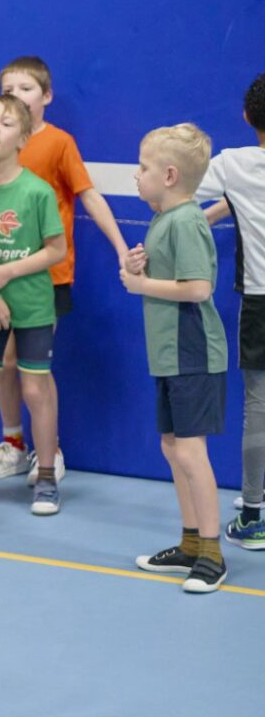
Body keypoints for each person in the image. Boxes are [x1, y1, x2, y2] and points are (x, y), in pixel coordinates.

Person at [0, 57, 130, 484]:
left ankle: (49, 452)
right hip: (0, 276)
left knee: (32, 367)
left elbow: (89, 196)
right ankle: (13, 444)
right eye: (8, 89)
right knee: (3, 362)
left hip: (46, 279)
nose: (17, 96)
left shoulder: (59, 143)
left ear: (46, 96)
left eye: (26, 88)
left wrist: (121, 247)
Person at [122, 124, 229, 593]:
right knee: (172, 446)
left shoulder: (186, 221)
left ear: (168, 176)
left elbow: (199, 288)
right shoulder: (164, 218)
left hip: (193, 352)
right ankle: (190, 543)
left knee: (189, 450)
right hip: (169, 354)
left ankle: (212, 554)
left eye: (143, 167)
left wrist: (142, 285)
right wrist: (139, 266)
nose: (136, 174)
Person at [0, 95, 68, 536]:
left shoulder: (37, 191)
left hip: (32, 306)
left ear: (23, 138)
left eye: (5, 123)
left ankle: (45, 476)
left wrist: (7, 271)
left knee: (35, 388)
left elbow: (56, 250)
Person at [197, 71, 265, 551]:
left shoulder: (235, 164)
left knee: (259, 404)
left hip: (260, 299)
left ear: (246, 116)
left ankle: (254, 515)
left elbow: (179, 188)